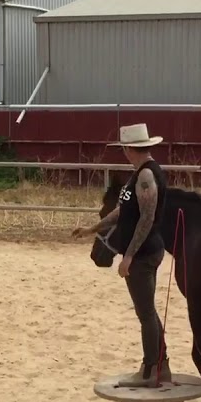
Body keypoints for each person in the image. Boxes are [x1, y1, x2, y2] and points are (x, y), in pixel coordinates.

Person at [74, 123, 171, 387]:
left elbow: (147, 219)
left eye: (124, 149)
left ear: (130, 149)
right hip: (142, 252)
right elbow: (124, 211)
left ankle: (151, 369)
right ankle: (160, 365)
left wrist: (129, 255)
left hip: (143, 254)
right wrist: (93, 228)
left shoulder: (146, 177)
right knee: (147, 312)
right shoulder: (138, 174)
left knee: (146, 313)